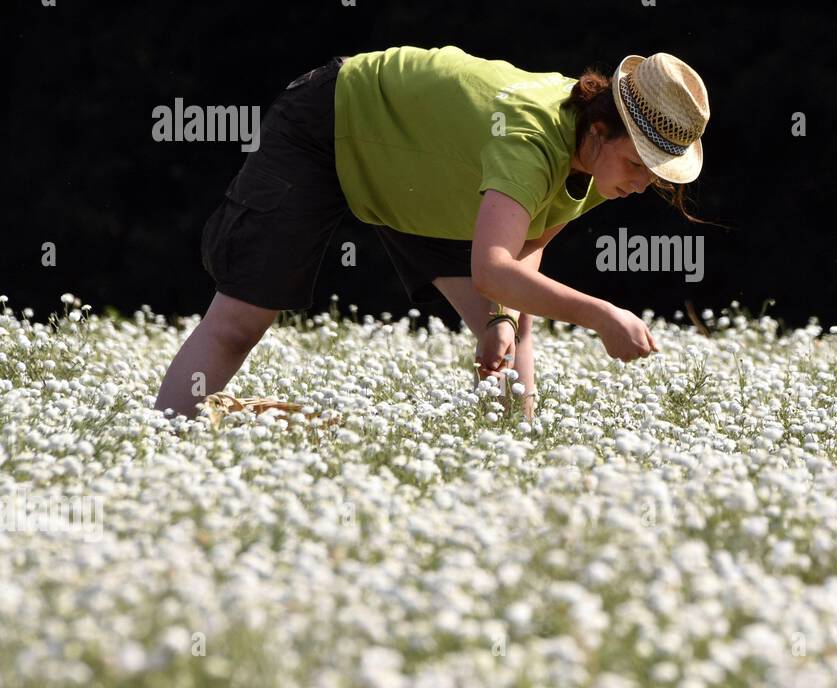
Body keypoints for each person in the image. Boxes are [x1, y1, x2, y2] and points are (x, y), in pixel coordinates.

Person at [153, 44, 712, 422]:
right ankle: (161, 443)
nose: (643, 185)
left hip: (431, 175)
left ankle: (511, 461)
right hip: (332, 123)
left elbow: (523, 252)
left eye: (655, 173)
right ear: (599, 131)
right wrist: (602, 315)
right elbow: (493, 268)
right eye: (639, 165)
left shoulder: (595, 164)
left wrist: (497, 319)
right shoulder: (532, 138)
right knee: (241, 320)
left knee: (516, 331)